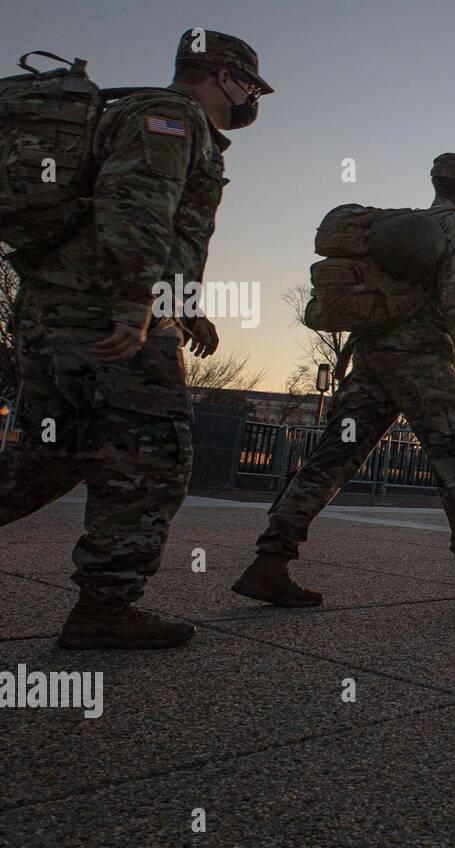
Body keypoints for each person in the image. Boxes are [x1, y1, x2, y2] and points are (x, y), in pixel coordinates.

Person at [0, 30, 271, 648]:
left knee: (48, 457)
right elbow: (136, 209)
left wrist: (187, 306)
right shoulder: (170, 116)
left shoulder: (142, 114)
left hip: (56, 313)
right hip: (105, 318)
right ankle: (105, 608)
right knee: (154, 460)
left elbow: (157, 226)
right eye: (250, 85)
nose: (252, 99)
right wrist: (134, 305)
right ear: (222, 75)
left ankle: (104, 603)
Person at [233, 153, 455, 609]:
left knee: (334, 456)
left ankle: (269, 562)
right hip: (422, 363)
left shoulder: (401, 227)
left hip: (371, 358)